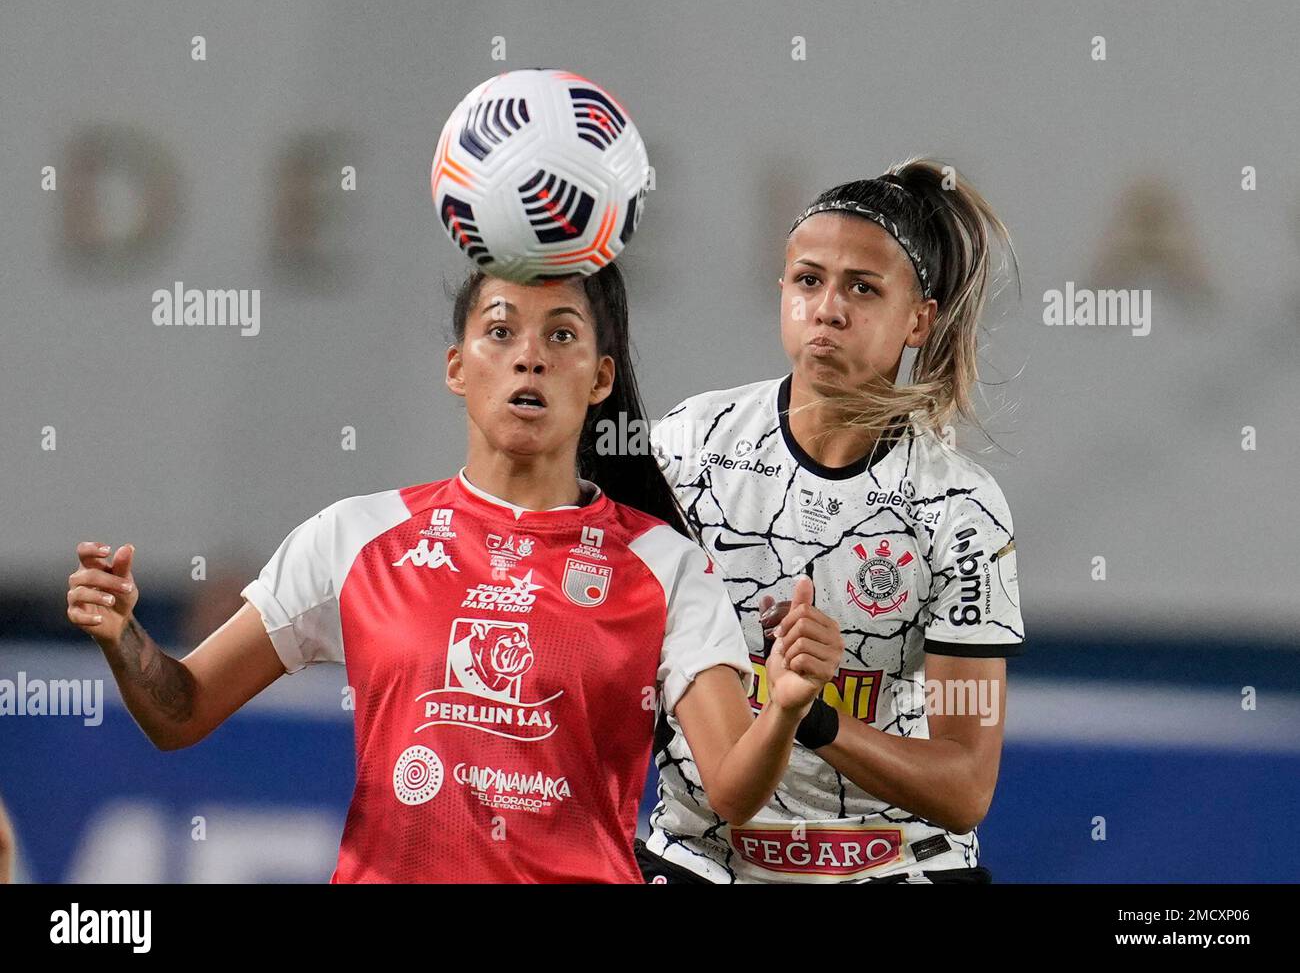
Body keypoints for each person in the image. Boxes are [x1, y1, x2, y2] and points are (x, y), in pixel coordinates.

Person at [66, 262, 844, 883]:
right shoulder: (357, 537)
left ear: (601, 378)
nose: (528, 355)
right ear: (455, 367)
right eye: (499, 332)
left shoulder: (663, 566)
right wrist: (122, 635)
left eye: (561, 335)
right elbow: (181, 711)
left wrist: (784, 705)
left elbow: (733, 791)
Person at [640, 158, 1025, 884]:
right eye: (808, 280)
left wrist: (810, 715)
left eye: (863, 287)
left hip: (893, 866)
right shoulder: (688, 449)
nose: (829, 308)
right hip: (706, 858)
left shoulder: (961, 510)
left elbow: (966, 786)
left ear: (919, 320)